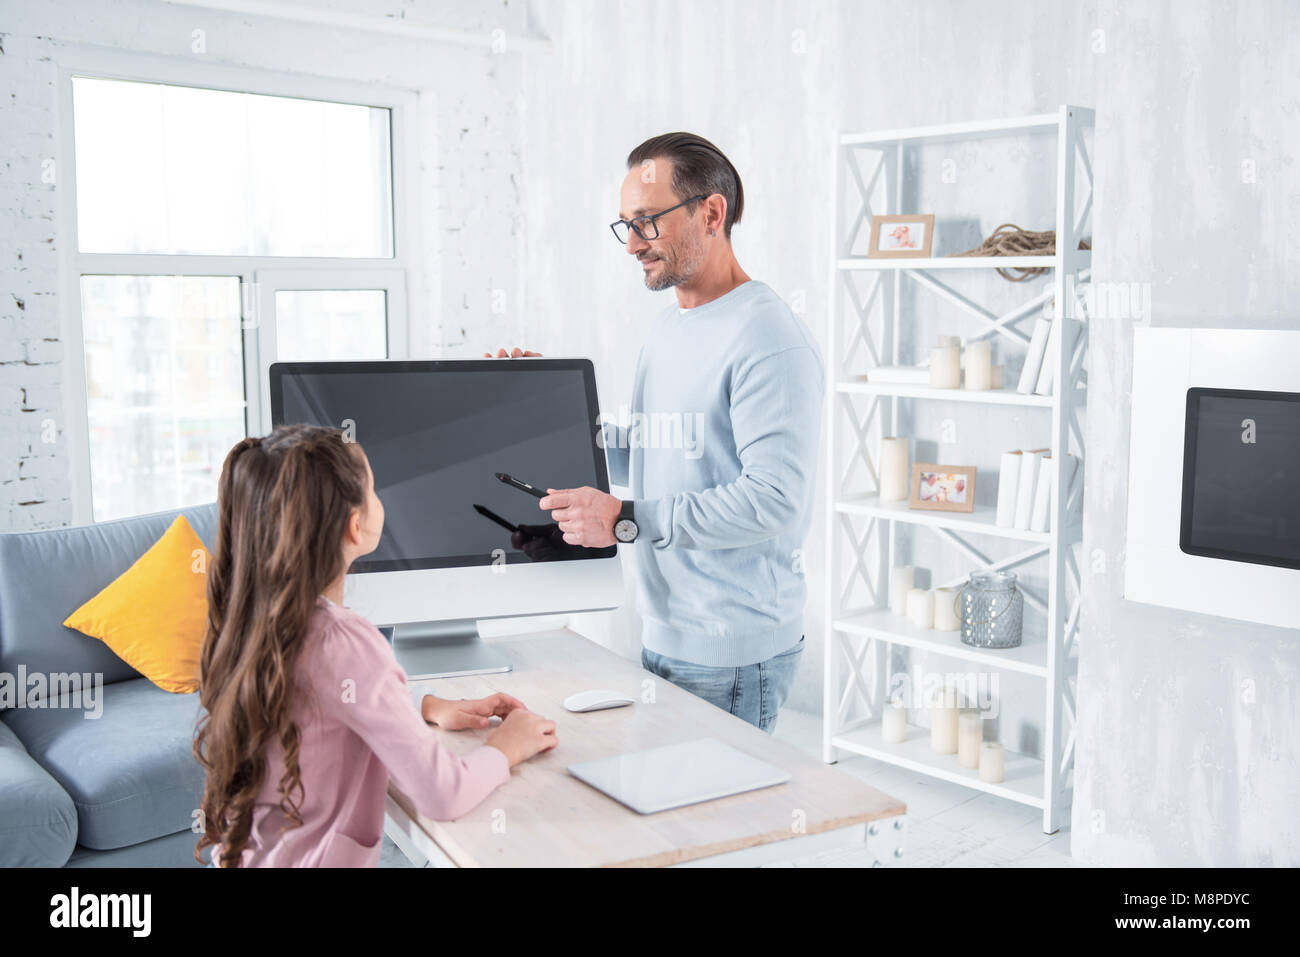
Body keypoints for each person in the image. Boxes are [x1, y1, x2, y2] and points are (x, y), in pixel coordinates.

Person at [486, 132, 823, 733]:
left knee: (716, 822)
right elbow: (651, 449)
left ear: (711, 213)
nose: (632, 244)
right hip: (668, 630)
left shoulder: (769, 338)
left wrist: (626, 517)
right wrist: (541, 407)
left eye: (647, 222)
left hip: (733, 650)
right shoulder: (673, 325)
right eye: (625, 225)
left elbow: (774, 500)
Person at [193, 424, 557, 867]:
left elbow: (318, 711)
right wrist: (506, 747)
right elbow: (443, 794)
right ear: (355, 526)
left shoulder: (250, 617)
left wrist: (420, 706)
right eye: (373, 490)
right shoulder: (346, 641)